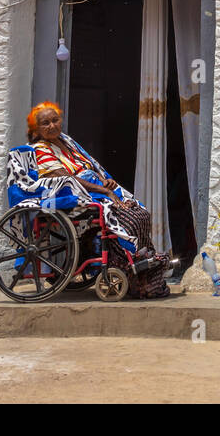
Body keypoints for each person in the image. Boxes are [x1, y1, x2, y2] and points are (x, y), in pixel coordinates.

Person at [26, 101, 170, 297]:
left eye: (55, 120)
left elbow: (89, 167)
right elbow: (69, 179)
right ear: (36, 129)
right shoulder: (41, 149)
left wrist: (105, 181)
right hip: (71, 194)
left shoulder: (67, 143)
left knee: (141, 213)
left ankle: (141, 269)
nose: (52, 125)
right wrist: (105, 191)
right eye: (45, 123)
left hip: (91, 189)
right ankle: (127, 271)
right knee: (128, 220)